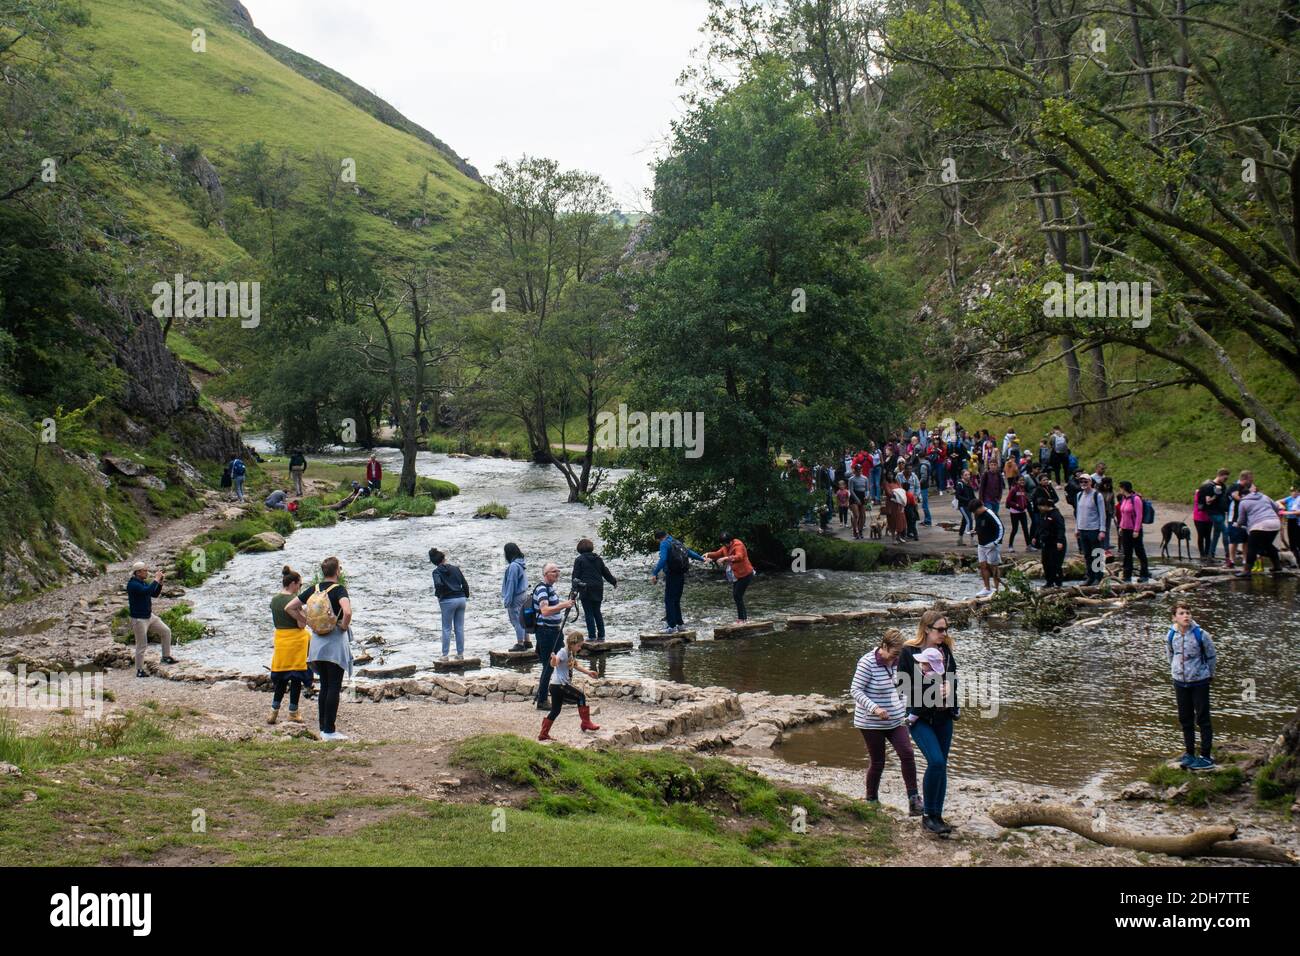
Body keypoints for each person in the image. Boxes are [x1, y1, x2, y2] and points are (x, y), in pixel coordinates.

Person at [899, 610, 958, 835]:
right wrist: (931, 690)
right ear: (926, 629)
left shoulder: (946, 651)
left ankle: (937, 815)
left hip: (943, 717)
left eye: (946, 629)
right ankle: (927, 815)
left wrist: (950, 689)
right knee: (934, 761)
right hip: (920, 717)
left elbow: (954, 678)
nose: (944, 633)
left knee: (942, 765)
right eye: (940, 629)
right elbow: (902, 686)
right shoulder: (909, 651)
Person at [851, 628, 922, 814]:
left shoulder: (900, 662)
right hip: (870, 723)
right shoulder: (867, 663)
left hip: (896, 720)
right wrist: (875, 708)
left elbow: (905, 688)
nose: (895, 659)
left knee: (907, 754)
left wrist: (906, 710)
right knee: (878, 762)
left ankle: (914, 800)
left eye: (899, 655)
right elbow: (856, 690)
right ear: (883, 646)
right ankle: (872, 799)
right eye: (894, 654)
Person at [287, 556, 353, 741]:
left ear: (323, 572)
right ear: (337, 571)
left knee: (324, 685)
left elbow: (290, 607)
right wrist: (343, 626)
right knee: (333, 686)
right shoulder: (339, 589)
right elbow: (347, 612)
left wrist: (307, 621)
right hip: (334, 645)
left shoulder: (313, 589)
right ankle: (330, 731)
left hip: (316, 645)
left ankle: (323, 728)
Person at [1166, 602, 1216, 769]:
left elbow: (1211, 656)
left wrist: (1210, 674)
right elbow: (1170, 654)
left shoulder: (1201, 634)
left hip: (1200, 681)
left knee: (1203, 718)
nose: (1186, 616)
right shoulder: (1171, 635)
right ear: (1174, 617)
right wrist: (1175, 672)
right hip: (1180, 682)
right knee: (1185, 719)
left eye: (1187, 612)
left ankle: (1206, 756)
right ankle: (1189, 753)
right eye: (1181, 613)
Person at [537, 631, 601, 741]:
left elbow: (575, 665)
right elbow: (554, 663)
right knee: (580, 696)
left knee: (555, 710)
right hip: (560, 685)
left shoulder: (570, 653)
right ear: (572, 643)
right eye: (579, 646)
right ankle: (586, 723)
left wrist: (588, 672)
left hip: (554, 686)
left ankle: (543, 734)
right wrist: (553, 658)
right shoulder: (563, 652)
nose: (580, 648)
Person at [268, 565, 310, 725]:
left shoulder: (274, 600)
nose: (300, 588)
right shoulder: (294, 601)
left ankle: (274, 711)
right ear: (293, 583)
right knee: (296, 678)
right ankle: (293, 712)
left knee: (281, 678)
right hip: (296, 642)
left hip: (280, 641)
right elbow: (301, 625)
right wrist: (304, 613)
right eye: (300, 585)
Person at [532, 563, 576, 709]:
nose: (557, 573)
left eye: (558, 570)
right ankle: (542, 700)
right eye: (553, 571)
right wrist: (564, 605)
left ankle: (564, 694)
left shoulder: (550, 588)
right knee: (548, 666)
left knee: (564, 661)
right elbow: (544, 610)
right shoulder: (542, 589)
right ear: (545, 574)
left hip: (554, 631)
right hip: (545, 632)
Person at [126, 561, 176, 677]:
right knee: (142, 645)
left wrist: (160, 583)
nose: (147, 573)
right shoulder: (133, 585)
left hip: (149, 616)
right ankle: (139, 670)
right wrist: (156, 579)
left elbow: (153, 594)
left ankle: (165, 657)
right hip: (139, 619)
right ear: (138, 572)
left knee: (166, 631)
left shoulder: (142, 582)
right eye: (145, 570)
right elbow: (146, 591)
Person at [650, 531, 704, 633]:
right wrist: (702, 559)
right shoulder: (676, 542)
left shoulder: (664, 544)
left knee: (669, 600)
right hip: (681, 573)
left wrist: (654, 573)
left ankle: (671, 626)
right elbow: (689, 552)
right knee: (676, 600)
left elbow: (663, 559)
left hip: (672, 574)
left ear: (659, 538)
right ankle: (680, 625)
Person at [705, 532, 756, 624]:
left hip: (746, 574)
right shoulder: (725, 547)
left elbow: (739, 557)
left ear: (731, 540)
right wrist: (707, 554)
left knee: (737, 595)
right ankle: (743, 619)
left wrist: (725, 558)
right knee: (737, 596)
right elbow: (717, 553)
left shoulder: (738, 545)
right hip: (737, 575)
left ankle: (742, 619)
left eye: (727, 543)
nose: (726, 545)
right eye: (724, 543)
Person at [572, 538, 617, 642]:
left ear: (579, 549)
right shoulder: (598, 558)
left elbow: (575, 576)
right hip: (598, 587)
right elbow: (605, 572)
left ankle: (592, 636)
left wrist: (574, 590)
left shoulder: (579, 560)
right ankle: (601, 636)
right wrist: (613, 581)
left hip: (585, 588)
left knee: (588, 613)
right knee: (597, 611)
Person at [1234, 484, 1284, 576]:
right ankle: (1277, 566)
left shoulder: (1243, 502)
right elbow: (1277, 507)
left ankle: (1247, 571)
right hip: (1275, 523)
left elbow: (1241, 519)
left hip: (1259, 525)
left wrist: (1238, 524)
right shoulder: (1264, 496)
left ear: (1242, 496)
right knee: (1267, 545)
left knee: (1252, 547)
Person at [429, 548, 470, 661]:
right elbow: (465, 583)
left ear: (434, 562)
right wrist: (465, 595)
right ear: (443, 558)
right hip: (461, 599)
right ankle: (460, 654)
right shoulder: (456, 569)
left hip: (448, 600)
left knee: (447, 628)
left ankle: (445, 655)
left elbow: (438, 585)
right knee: (459, 627)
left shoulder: (436, 572)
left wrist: (440, 596)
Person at [1074, 473, 1106, 585]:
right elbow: (1078, 513)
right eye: (1081, 482)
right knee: (1087, 554)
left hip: (1094, 529)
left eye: (1086, 481)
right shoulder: (1079, 495)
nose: (1083, 484)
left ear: (1090, 482)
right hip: (1082, 529)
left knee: (1097, 553)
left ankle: (1098, 577)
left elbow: (1102, 514)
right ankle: (1090, 577)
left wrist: (1102, 530)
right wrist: (1076, 528)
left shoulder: (1097, 495)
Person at [1116, 481, 1151, 582]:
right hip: (1125, 529)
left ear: (1124, 488)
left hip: (1135, 530)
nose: (1119, 490)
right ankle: (1127, 574)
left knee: (1139, 552)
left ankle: (1144, 574)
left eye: (1120, 488)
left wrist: (1136, 530)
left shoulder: (1135, 499)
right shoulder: (1123, 499)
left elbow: (1139, 516)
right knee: (1127, 553)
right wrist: (1121, 527)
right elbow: (1123, 514)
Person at [969, 500, 1003, 598]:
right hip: (981, 544)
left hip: (992, 544)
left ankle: (996, 590)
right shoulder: (977, 515)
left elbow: (1001, 528)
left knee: (994, 566)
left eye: (975, 511)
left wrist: (996, 542)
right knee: (983, 566)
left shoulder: (990, 514)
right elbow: (979, 526)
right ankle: (987, 588)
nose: (974, 513)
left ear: (980, 507)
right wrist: (975, 531)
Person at [501, 542, 530, 651]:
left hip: (516, 596)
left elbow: (511, 583)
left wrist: (507, 600)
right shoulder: (520, 564)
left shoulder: (513, 566)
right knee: (523, 619)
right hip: (523, 594)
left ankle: (520, 643)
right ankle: (527, 641)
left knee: (517, 620)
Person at [1037, 496, 1067, 587]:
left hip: (1056, 542)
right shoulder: (1043, 514)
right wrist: (1036, 537)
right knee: (1046, 562)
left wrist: (1060, 541)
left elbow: (1061, 529)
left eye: (1040, 506)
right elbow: (1040, 526)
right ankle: (1049, 582)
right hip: (1046, 543)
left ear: (1046, 506)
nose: (1039, 508)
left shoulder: (1056, 515)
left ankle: (1058, 582)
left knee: (1056, 563)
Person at [1204, 469, 1230, 561]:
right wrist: (1216, 495)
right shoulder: (1209, 486)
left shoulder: (1223, 486)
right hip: (1213, 513)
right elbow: (1207, 501)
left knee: (1216, 534)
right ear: (1220, 475)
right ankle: (1228, 555)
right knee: (1226, 531)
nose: (1225, 480)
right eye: (1225, 478)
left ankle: (1211, 555)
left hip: (1221, 512)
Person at [1005, 477, 1030, 552]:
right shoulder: (1013, 489)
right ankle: (1010, 546)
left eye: (1023, 480)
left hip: (1022, 512)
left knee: (1025, 528)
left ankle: (1028, 545)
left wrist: (1026, 504)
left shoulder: (1023, 489)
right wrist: (1016, 505)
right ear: (1017, 481)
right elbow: (1008, 501)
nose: (1022, 481)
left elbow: (1024, 499)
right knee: (1015, 529)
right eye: (1020, 480)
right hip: (1015, 512)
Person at [1192, 480, 1214, 562]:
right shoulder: (1199, 493)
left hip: (1209, 517)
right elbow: (1201, 502)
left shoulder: (1211, 494)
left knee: (1208, 536)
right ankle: (1202, 554)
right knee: (1201, 535)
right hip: (1199, 517)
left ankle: (1206, 553)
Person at [953, 470, 975, 545]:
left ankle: (959, 540)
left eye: (968, 474)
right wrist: (967, 500)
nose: (968, 476)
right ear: (962, 476)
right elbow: (957, 496)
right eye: (966, 475)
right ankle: (972, 540)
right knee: (970, 520)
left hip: (969, 506)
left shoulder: (969, 484)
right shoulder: (960, 484)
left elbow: (972, 495)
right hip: (963, 506)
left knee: (964, 522)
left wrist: (976, 502)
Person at [848, 465, 869, 539]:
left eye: (860, 469)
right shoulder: (851, 479)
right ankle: (855, 531)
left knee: (862, 515)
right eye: (857, 469)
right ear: (855, 470)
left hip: (862, 496)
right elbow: (851, 490)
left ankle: (860, 531)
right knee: (856, 515)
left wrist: (867, 496)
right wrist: (857, 499)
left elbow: (867, 489)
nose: (859, 471)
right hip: (854, 496)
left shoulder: (865, 478)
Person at [1282, 484, 1300, 569]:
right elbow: (1278, 501)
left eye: (1295, 491)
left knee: (1297, 541)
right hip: (1290, 521)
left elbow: (1297, 512)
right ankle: (1296, 561)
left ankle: (1298, 561)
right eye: (1292, 491)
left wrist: (1286, 513)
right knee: (1292, 542)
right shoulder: (1289, 498)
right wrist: (1281, 506)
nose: (1294, 493)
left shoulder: (1298, 499)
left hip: (1297, 521)